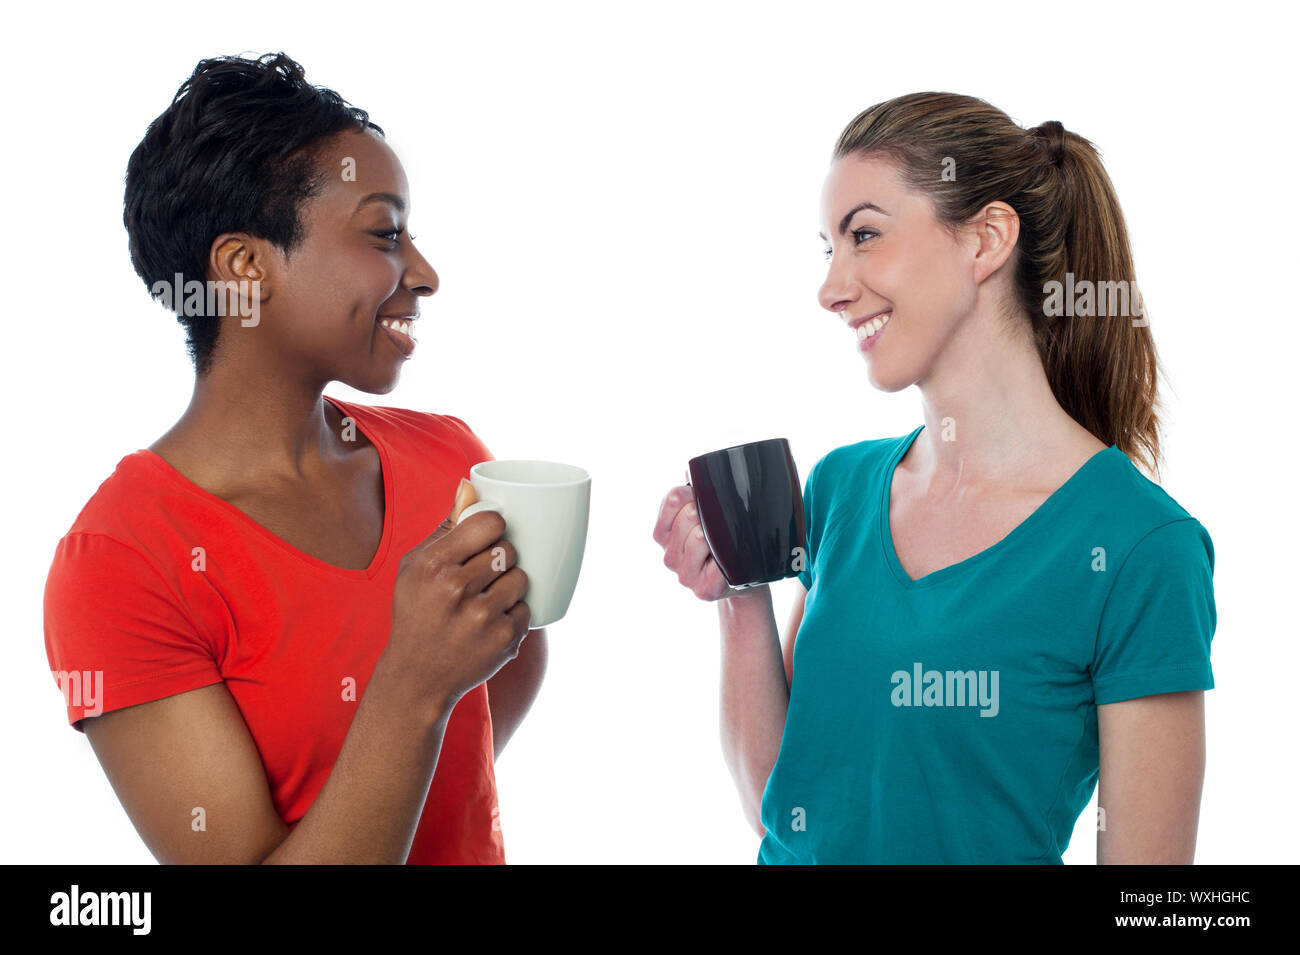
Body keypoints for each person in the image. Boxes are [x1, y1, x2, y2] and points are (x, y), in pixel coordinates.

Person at [653, 92, 1216, 864]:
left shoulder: (1141, 546)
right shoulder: (841, 489)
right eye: (828, 247)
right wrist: (740, 594)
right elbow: (786, 809)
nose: (831, 287)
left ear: (986, 239)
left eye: (865, 236)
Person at [43, 52, 545, 864]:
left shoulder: (453, 460)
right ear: (245, 269)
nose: (424, 273)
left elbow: (505, 674)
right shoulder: (121, 563)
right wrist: (411, 684)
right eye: (385, 234)